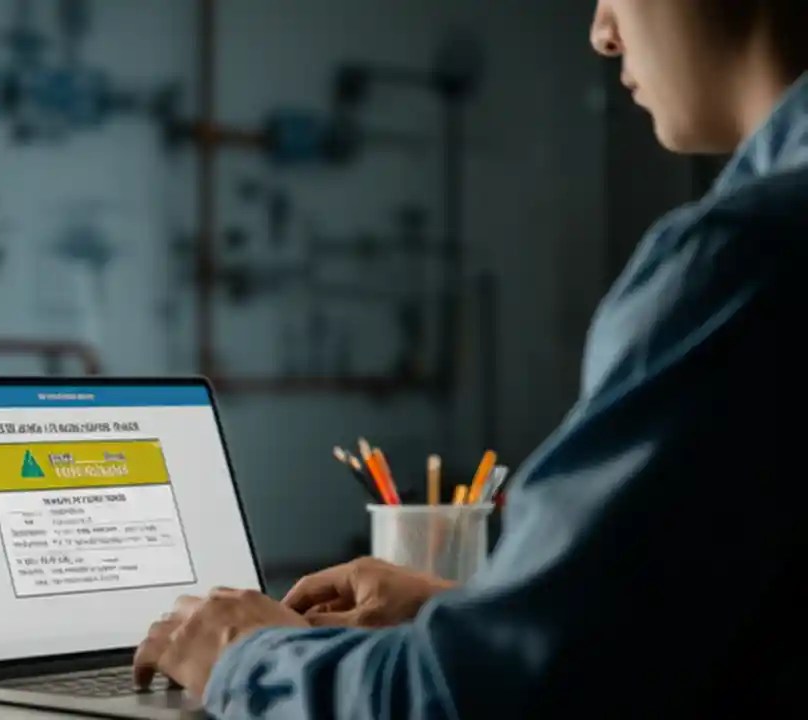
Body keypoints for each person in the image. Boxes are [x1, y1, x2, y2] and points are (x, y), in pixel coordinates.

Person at [133, 0, 808, 716]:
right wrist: (483, 615)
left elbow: (479, 701)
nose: (602, 34)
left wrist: (244, 656)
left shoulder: (745, 256)